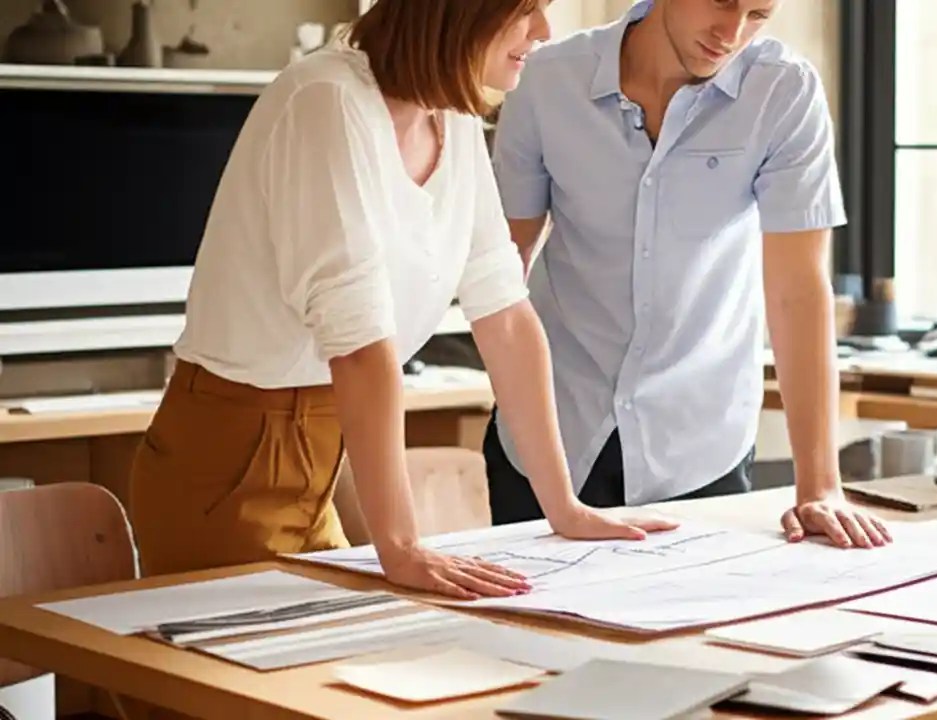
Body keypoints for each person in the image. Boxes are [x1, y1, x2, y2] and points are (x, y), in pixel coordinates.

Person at [129, 0, 676, 601]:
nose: (543, 34)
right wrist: (403, 546)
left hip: (319, 449)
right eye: (526, 11)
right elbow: (359, 347)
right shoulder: (326, 102)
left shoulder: (454, 117)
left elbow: (506, 315)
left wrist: (564, 507)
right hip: (229, 463)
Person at [486, 0, 892, 549]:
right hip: (549, 435)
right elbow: (503, 269)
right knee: (517, 632)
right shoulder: (546, 80)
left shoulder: (783, 92)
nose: (731, 33)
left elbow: (798, 292)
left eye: (757, 15)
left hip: (698, 449)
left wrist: (820, 485)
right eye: (722, 2)